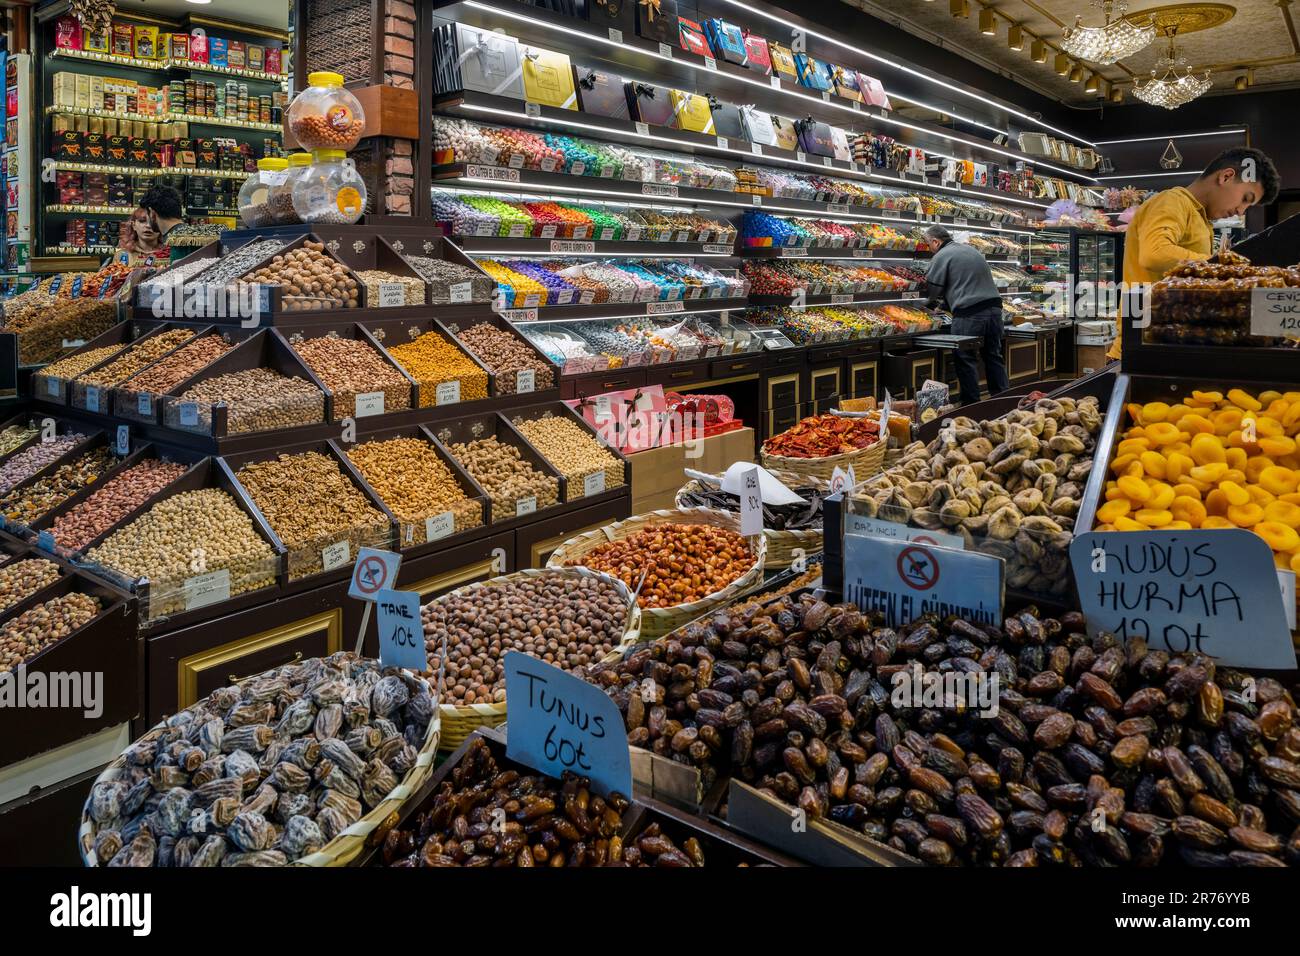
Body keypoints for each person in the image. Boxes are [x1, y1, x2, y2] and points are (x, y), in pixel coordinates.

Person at [1108, 146, 1280, 360]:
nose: (1241, 210)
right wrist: (1222, 265)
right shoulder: (1172, 201)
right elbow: (1155, 253)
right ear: (1226, 176)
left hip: (1163, 340)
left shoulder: (1199, 216)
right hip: (1142, 344)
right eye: (1246, 198)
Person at [923, 224, 1009, 405]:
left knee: (965, 358)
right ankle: (1002, 401)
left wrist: (926, 306)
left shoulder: (942, 255)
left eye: (928, 244)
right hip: (994, 310)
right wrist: (946, 304)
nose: (928, 249)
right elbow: (964, 283)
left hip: (970, 313)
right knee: (993, 356)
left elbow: (933, 287)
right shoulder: (971, 250)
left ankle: (971, 405)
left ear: (936, 242)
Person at [138, 184, 188, 263]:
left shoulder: (176, 241)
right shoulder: (192, 236)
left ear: (152, 213)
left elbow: (178, 275)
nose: (147, 224)